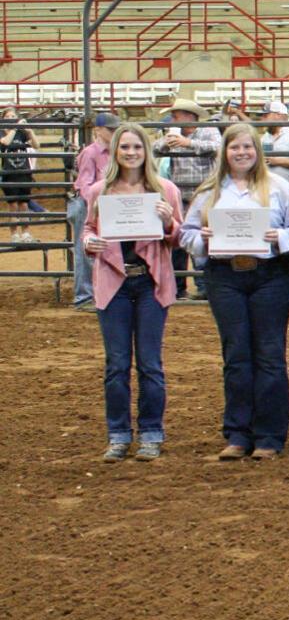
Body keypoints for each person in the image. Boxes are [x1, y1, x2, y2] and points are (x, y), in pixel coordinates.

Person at [182, 124, 289, 461]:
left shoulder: (279, 187)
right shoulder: (210, 191)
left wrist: (278, 238)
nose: (241, 153)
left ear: (257, 151)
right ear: (225, 152)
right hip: (224, 275)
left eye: (248, 147)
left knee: (269, 353)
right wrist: (203, 241)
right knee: (236, 355)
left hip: (271, 275)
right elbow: (186, 233)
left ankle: (269, 435)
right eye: (235, 147)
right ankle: (238, 433)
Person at [83, 123, 184, 462]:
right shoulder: (100, 191)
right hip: (114, 283)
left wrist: (169, 221)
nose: (130, 153)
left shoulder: (165, 190)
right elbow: (88, 230)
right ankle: (119, 434)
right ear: (115, 152)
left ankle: (152, 432)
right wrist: (89, 243)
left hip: (150, 283)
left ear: (146, 151)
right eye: (124, 147)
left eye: (136, 147)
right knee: (116, 364)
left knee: (150, 363)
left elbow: (179, 238)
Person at [153, 99, 220, 299]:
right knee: (179, 239)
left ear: (189, 116)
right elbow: (155, 149)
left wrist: (188, 143)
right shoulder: (173, 134)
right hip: (180, 195)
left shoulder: (208, 130)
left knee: (201, 239)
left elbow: (218, 147)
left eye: (176, 115)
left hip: (203, 195)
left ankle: (203, 286)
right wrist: (166, 142)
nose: (172, 119)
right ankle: (179, 286)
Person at [69, 113, 117, 308]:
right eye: (111, 129)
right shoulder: (90, 153)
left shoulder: (114, 151)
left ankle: (93, 294)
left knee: (97, 247)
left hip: (103, 205)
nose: (115, 133)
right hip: (87, 204)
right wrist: (96, 206)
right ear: (98, 130)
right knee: (85, 248)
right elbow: (84, 185)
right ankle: (84, 296)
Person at [2, 114, 38, 244]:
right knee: (12, 206)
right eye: (8, 116)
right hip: (9, 174)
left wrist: (29, 130)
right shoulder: (2, 132)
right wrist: (15, 128)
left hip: (24, 173)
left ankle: (26, 234)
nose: (12, 117)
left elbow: (36, 145)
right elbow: (5, 142)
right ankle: (14, 235)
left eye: (13, 116)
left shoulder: (22, 132)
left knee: (24, 205)